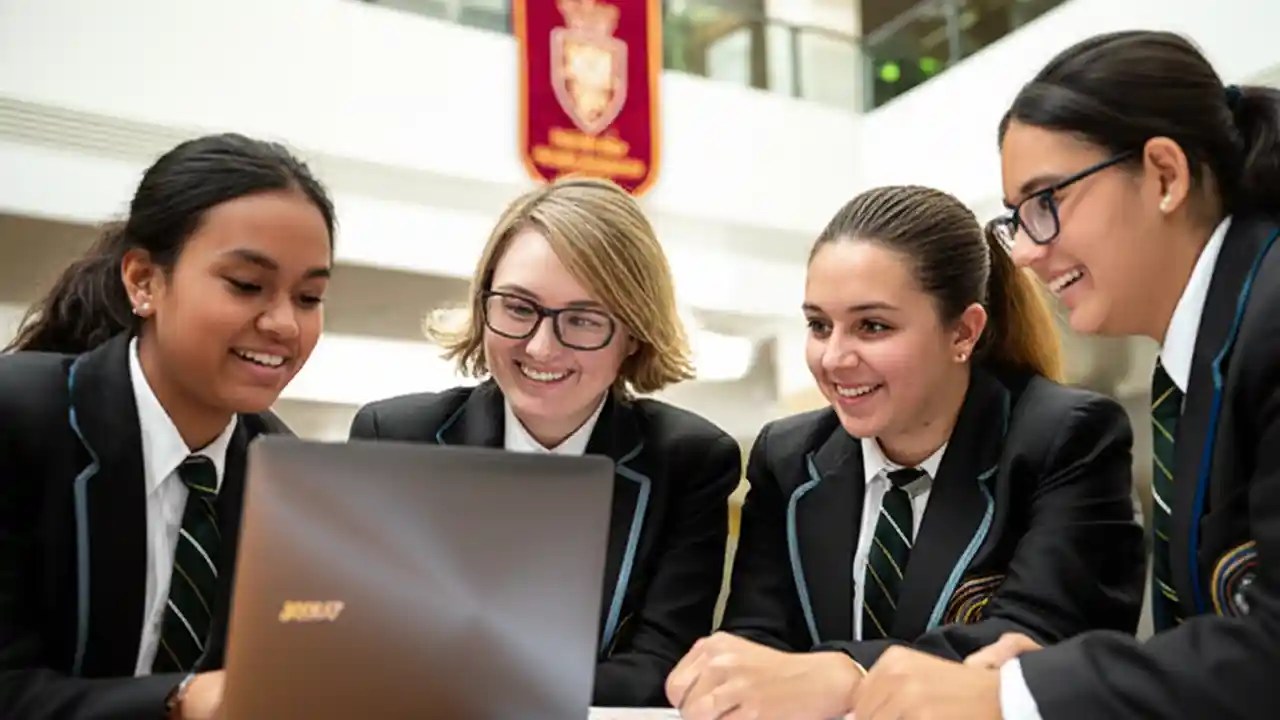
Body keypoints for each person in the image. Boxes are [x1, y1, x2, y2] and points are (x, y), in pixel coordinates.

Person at [848, 30, 1280, 720]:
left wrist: (1015, 694)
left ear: (1165, 175)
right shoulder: (1212, 346)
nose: (1021, 252)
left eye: (1046, 202)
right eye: (1016, 218)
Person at [664, 184, 1146, 720]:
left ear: (963, 332)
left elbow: (1039, 640)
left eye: (873, 326)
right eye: (819, 325)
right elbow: (759, 641)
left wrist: (850, 674)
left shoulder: (1066, 438)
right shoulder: (788, 458)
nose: (835, 357)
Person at [348, 176, 742, 707]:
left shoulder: (690, 461)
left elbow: (658, 672)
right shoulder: (394, 438)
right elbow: (363, 646)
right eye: (518, 307)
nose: (540, 346)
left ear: (633, 335)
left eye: (581, 319)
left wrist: (473, 685)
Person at [0, 133, 336, 720]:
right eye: (247, 285)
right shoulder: (18, 421)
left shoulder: (288, 477)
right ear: (144, 281)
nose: (285, 323)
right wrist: (180, 699)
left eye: (309, 296)